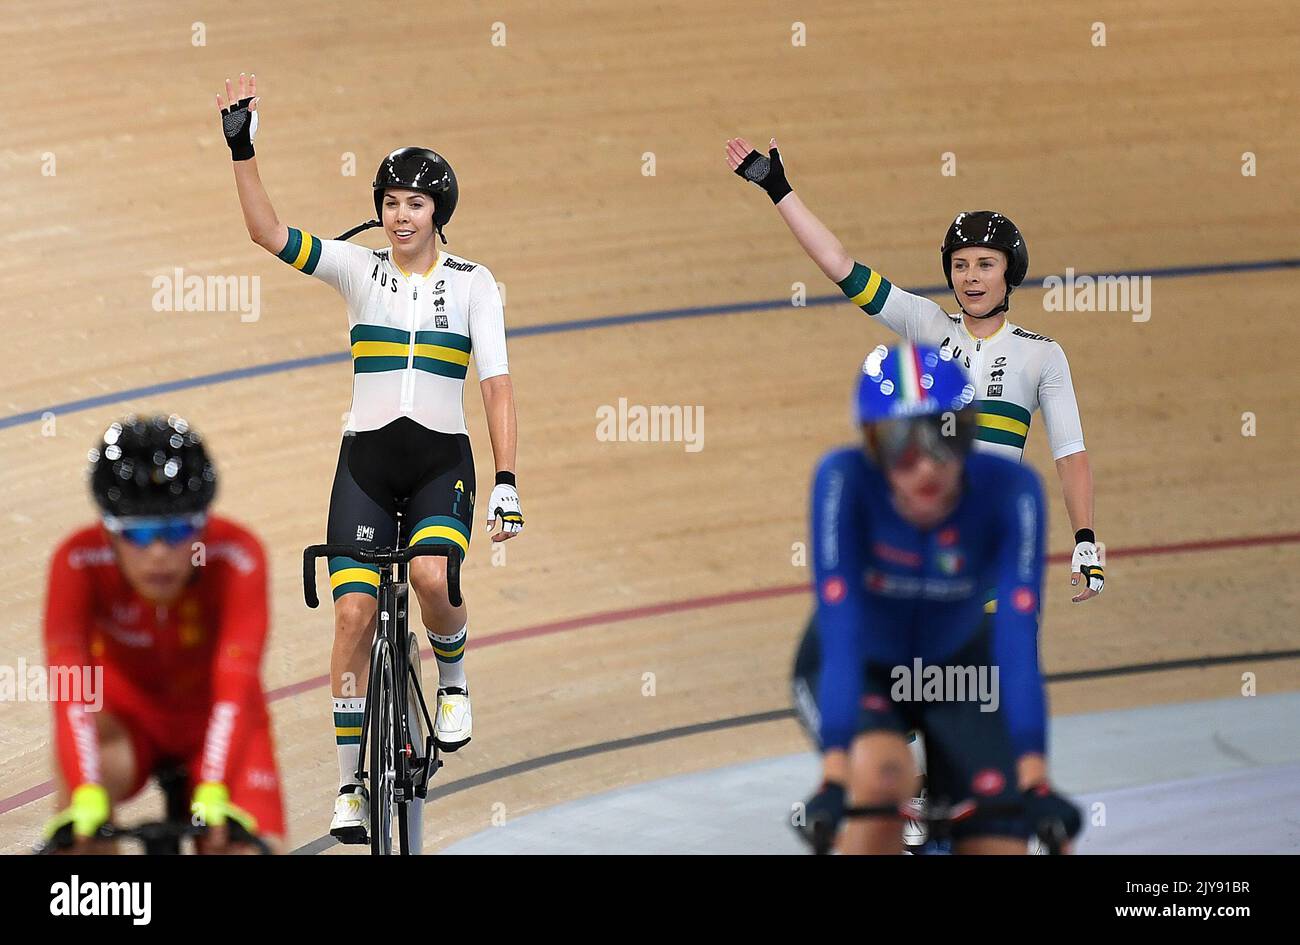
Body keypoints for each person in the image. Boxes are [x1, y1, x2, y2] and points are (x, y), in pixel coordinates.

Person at [216, 74, 524, 843]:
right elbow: (268, 233)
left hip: (439, 467)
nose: (398, 216)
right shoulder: (361, 269)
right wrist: (242, 148)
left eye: (414, 204)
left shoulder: (475, 284)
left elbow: (496, 388)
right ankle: (352, 781)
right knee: (352, 614)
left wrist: (508, 482)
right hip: (365, 467)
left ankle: (452, 680)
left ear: (438, 213)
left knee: (427, 575)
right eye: (389, 202)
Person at [799, 344, 1079, 854]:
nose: (925, 466)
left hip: (959, 667)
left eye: (943, 439)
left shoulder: (1012, 491)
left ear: (969, 435)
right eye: (899, 445)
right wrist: (834, 779)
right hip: (860, 662)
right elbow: (840, 631)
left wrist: (1036, 782)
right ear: (870, 448)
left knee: (1006, 839)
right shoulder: (841, 480)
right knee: (883, 784)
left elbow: (1017, 640)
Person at [43, 415, 283, 854]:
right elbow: (71, 686)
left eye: (177, 531)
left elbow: (236, 680)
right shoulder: (77, 560)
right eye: (138, 533)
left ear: (204, 524)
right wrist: (85, 793)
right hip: (124, 723)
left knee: (241, 847)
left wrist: (212, 789)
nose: (159, 554)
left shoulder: (237, 555)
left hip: (217, 717)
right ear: (108, 531)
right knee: (78, 846)